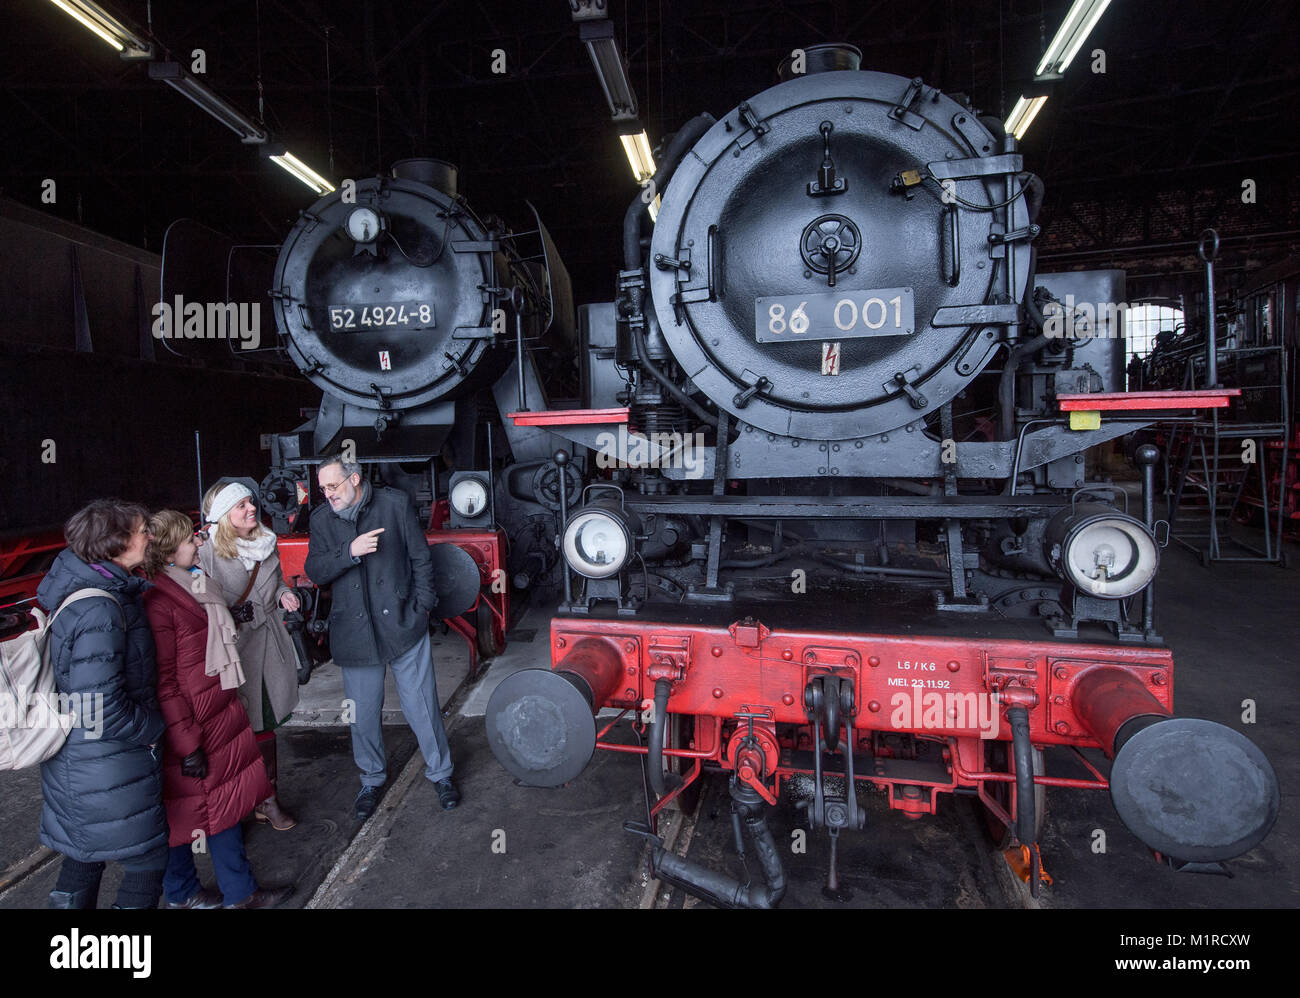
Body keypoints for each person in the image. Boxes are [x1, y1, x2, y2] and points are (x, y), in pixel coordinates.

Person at [143, 510, 293, 909]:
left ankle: (219, 892)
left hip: (215, 712)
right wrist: (186, 741)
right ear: (169, 549)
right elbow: (165, 681)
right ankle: (199, 893)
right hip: (194, 725)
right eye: (189, 540)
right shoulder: (159, 602)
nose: (197, 544)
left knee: (218, 805)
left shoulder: (191, 583)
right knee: (187, 812)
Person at [304, 456, 459, 819]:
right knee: (363, 714)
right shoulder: (321, 520)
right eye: (322, 488)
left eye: (333, 486)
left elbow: (420, 557)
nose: (327, 495)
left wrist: (423, 605)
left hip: (403, 623)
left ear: (354, 479)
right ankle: (371, 779)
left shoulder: (394, 504)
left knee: (421, 705)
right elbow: (315, 569)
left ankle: (442, 774)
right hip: (354, 633)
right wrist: (349, 552)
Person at [36, 499, 168, 909]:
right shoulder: (100, 608)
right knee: (148, 859)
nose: (149, 536)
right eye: (141, 530)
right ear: (116, 544)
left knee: (83, 851)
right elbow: (98, 707)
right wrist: (152, 728)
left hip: (82, 760)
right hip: (106, 761)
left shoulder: (94, 590)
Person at [197, 481, 299, 830]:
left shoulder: (264, 544)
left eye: (250, 502)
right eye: (240, 505)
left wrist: (285, 594)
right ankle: (241, 800)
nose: (251, 508)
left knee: (266, 721)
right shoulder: (206, 554)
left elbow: (276, 582)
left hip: (269, 645)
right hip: (235, 649)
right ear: (225, 516)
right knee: (236, 728)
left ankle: (267, 798)